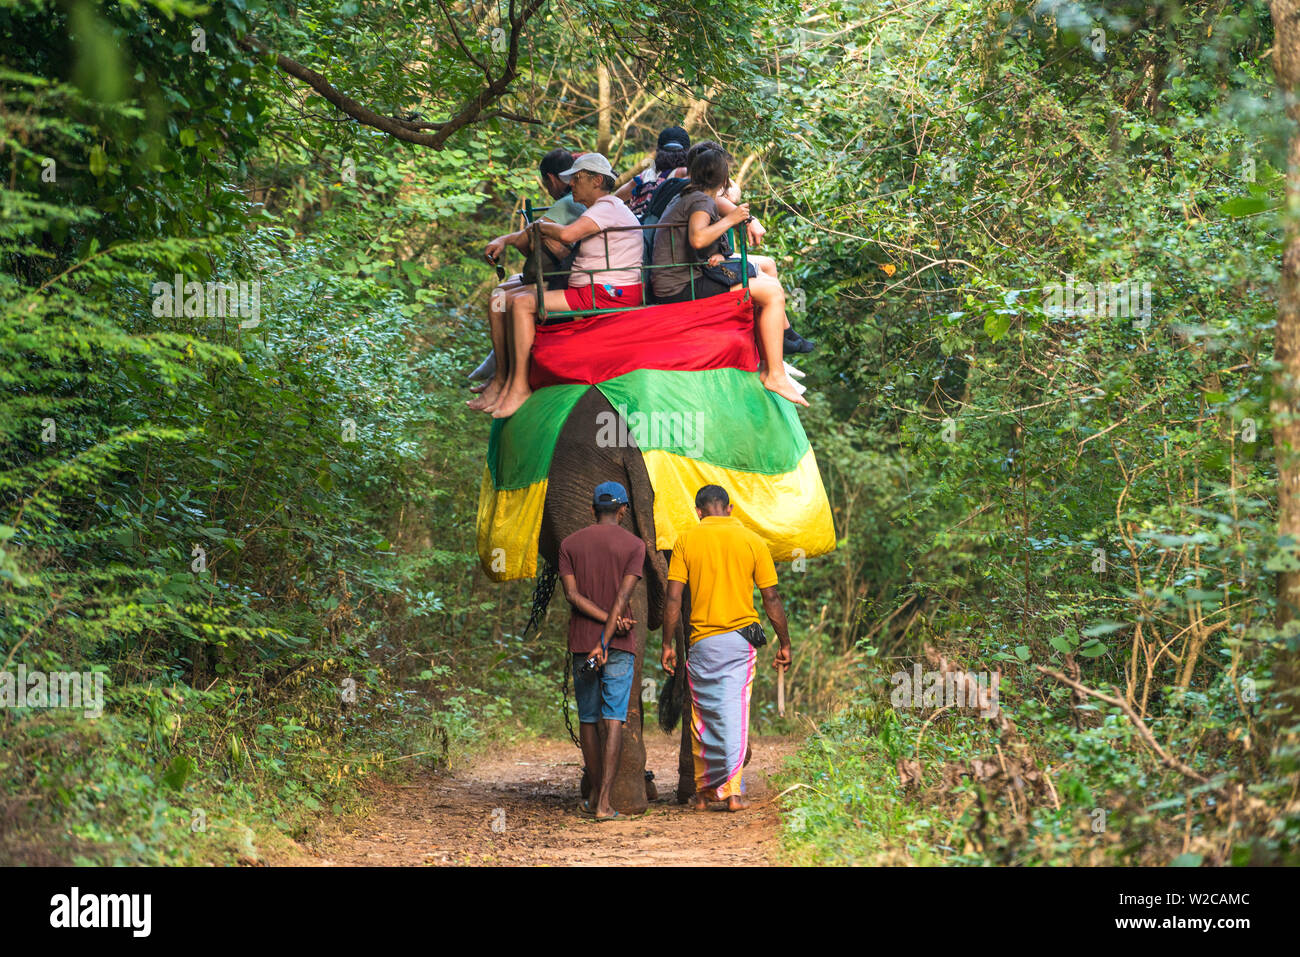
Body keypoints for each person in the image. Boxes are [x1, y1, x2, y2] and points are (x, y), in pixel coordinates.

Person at [661, 485, 792, 812]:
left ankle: (705, 794)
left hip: (702, 642)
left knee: (702, 715)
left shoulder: (686, 540)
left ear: (699, 512)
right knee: (734, 712)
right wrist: (785, 644)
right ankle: (733, 794)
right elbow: (771, 598)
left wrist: (667, 644)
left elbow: (674, 598)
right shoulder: (753, 541)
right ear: (729, 509)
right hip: (740, 643)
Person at [487, 153, 644, 418]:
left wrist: (542, 228)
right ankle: (503, 379)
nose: (571, 184)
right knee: (503, 298)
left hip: (605, 293)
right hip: (590, 287)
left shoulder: (606, 207)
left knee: (521, 303)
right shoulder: (600, 208)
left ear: (596, 181)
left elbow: (568, 234)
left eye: (577, 178)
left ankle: (519, 386)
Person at [650, 147, 808, 406]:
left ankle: (773, 361)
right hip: (679, 287)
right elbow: (698, 238)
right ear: (724, 181)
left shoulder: (692, 195)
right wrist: (732, 218)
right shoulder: (701, 201)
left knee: (766, 281)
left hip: (684, 277)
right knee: (772, 292)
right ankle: (774, 373)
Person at [469, 149, 586, 410]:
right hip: (560, 270)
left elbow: (529, 237)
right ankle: (499, 370)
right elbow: (532, 236)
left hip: (562, 276)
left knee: (499, 299)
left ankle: (503, 377)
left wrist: (507, 240)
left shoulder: (567, 202)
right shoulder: (577, 203)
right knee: (501, 292)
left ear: (553, 179)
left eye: (547, 184)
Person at [558, 481, 648, 821]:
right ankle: (604, 803)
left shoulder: (569, 544)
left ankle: (594, 791)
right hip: (619, 646)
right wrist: (609, 635)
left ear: (592, 508)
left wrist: (596, 639)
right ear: (623, 509)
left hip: (582, 644)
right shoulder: (635, 545)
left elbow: (573, 597)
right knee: (613, 720)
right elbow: (622, 599)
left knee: (587, 719)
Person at [616, 125, 690, 220]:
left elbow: (616, 198)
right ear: (687, 151)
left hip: (637, 228)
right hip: (663, 231)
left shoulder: (645, 175)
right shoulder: (684, 173)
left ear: (658, 150)